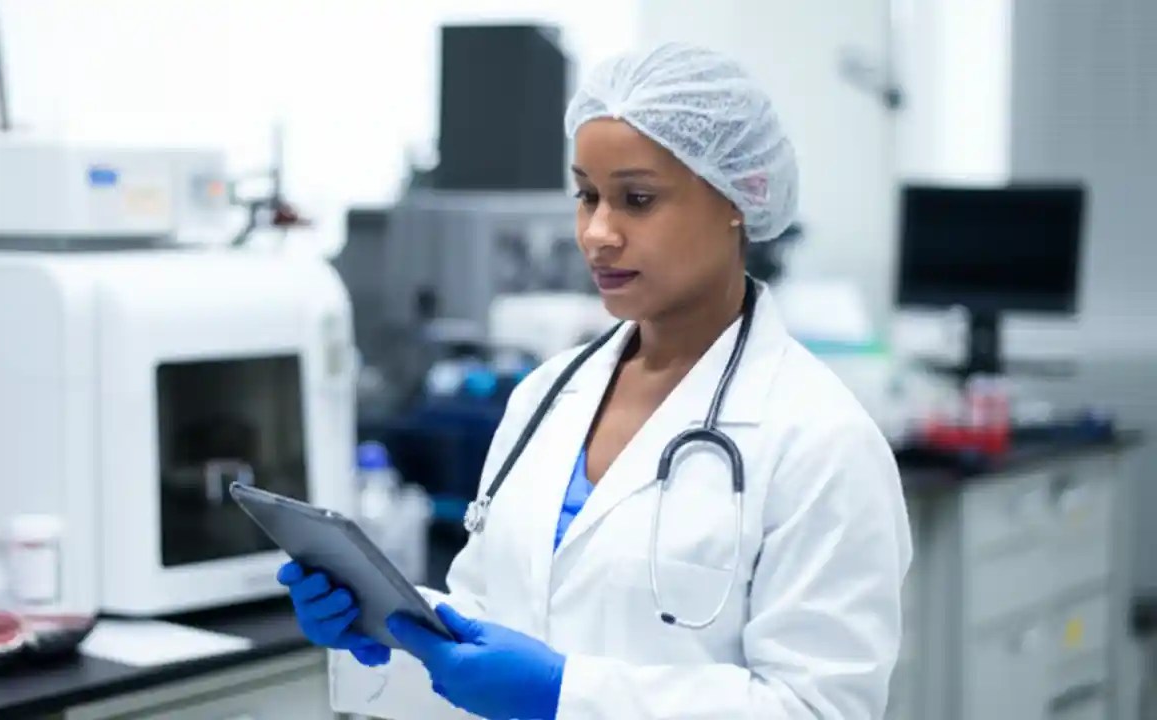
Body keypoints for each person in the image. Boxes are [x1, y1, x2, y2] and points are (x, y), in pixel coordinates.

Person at [279, 42, 912, 719]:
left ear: (739, 196)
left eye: (636, 200)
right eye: (586, 196)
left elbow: (819, 709)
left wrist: (564, 695)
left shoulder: (820, 441)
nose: (597, 234)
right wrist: (391, 620)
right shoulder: (547, 395)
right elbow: (495, 620)